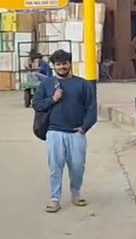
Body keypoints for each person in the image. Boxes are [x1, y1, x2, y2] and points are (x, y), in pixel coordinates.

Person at [31, 49, 97, 213]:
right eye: (58, 64)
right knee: (55, 166)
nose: (62, 67)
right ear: (54, 66)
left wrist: (84, 127)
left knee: (77, 166)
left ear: (70, 64)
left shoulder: (83, 84)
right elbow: (37, 104)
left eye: (65, 63)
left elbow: (91, 108)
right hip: (54, 132)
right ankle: (55, 199)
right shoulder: (46, 84)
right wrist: (52, 99)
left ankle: (76, 193)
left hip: (77, 133)